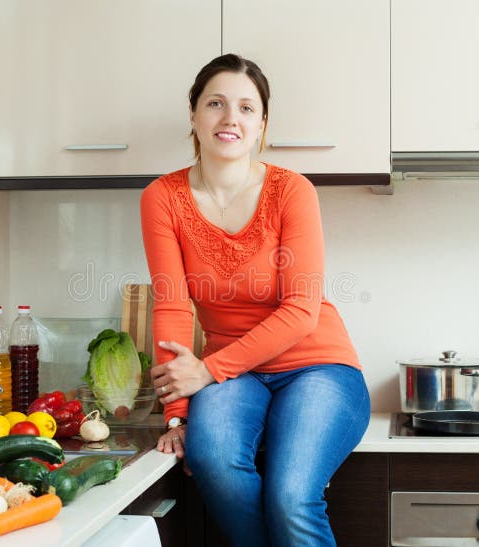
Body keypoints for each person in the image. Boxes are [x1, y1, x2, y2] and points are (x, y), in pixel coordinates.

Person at [139, 53, 370, 547]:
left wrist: (208, 371)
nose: (230, 118)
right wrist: (177, 413)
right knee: (212, 460)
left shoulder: (292, 191)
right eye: (216, 103)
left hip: (319, 366)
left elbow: (301, 311)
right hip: (235, 372)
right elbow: (173, 307)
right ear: (194, 115)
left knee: (291, 496)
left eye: (246, 107)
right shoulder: (162, 197)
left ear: (262, 122)